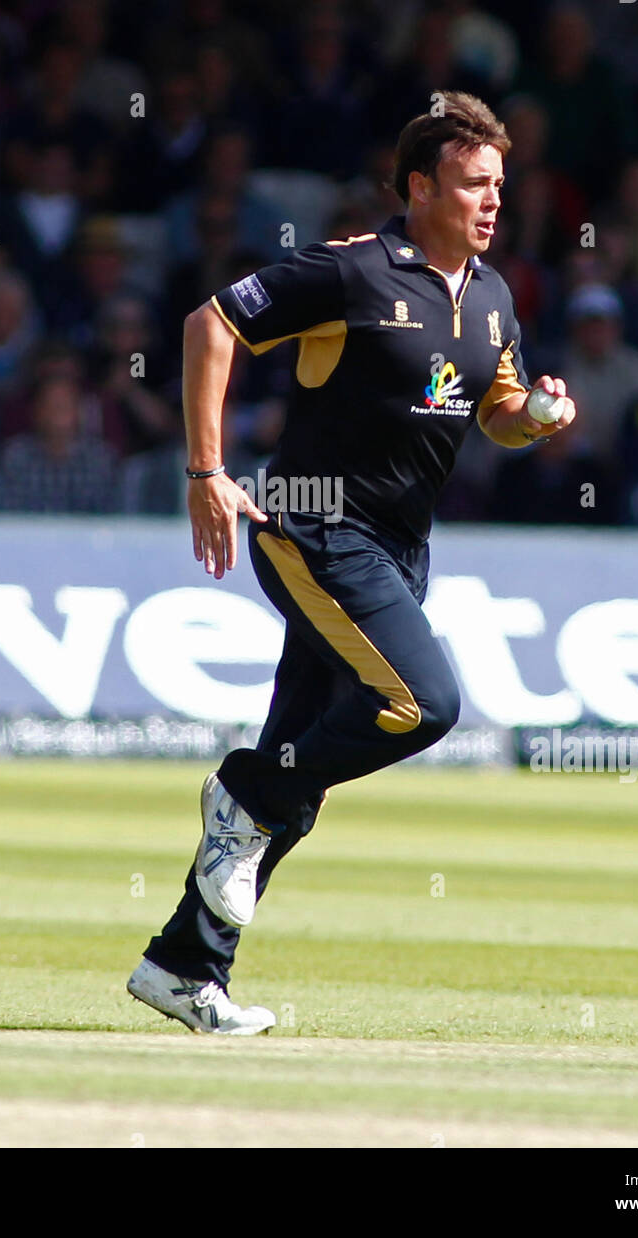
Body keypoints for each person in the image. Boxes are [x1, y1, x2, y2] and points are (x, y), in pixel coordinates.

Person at [127, 93, 577, 1034]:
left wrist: (532, 418)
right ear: (419, 188)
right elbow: (211, 324)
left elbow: (491, 410)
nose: (492, 200)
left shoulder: (491, 296)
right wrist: (206, 471)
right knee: (420, 706)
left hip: (401, 548)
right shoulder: (354, 271)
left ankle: (183, 968)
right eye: (472, 183)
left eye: (499, 183)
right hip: (314, 530)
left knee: (306, 763)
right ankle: (241, 792)